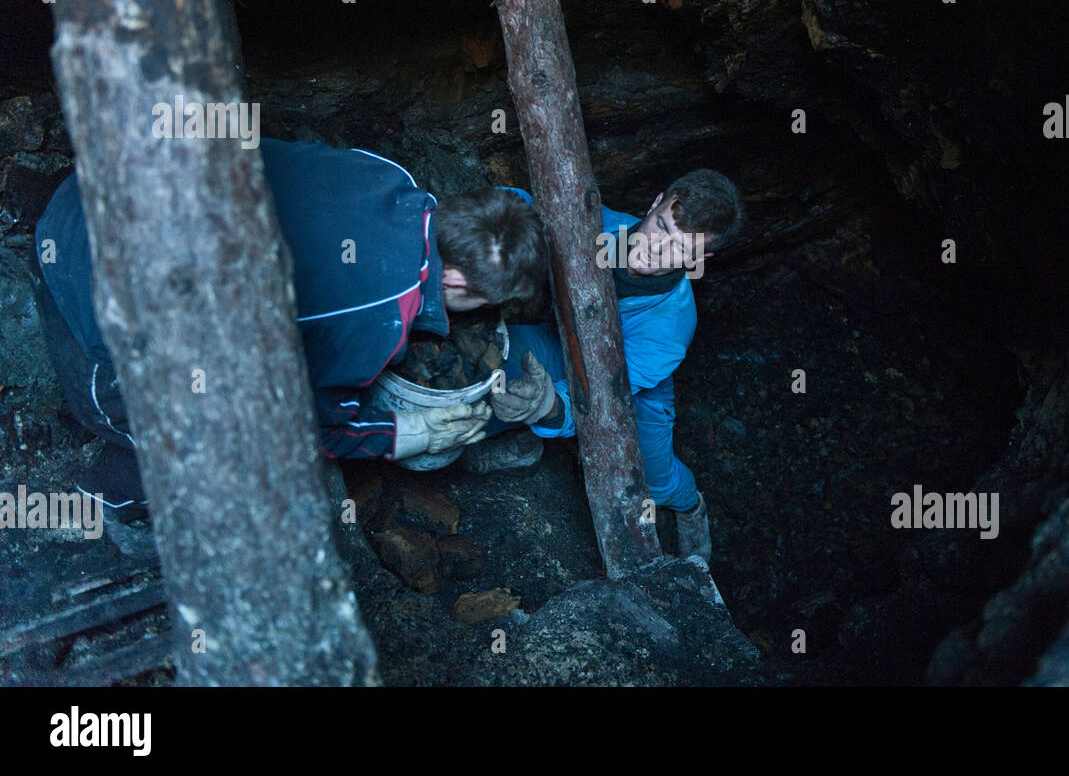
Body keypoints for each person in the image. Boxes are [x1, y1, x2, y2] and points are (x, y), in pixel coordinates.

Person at [31, 137, 549, 519]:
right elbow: (297, 426)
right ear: (456, 279)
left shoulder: (389, 173)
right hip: (88, 270)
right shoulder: (379, 322)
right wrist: (404, 434)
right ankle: (107, 501)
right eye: (484, 300)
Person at [470, 169, 744, 563]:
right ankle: (527, 444)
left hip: (635, 390)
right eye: (660, 226)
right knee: (492, 364)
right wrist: (476, 215)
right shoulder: (600, 224)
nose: (656, 250)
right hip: (560, 339)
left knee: (655, 481)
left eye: (680, 250)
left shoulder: (668, 330)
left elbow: (601, 395)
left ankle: (689, 506)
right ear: (654, 203)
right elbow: (522, 206)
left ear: (701, 259)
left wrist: (549, 405)